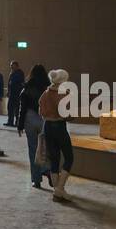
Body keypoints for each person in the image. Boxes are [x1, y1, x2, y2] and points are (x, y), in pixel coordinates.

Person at [39, 69, 74, 202]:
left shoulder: (45, 93)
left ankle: (57, 192)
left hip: (47, 127)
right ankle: (59, 189)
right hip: (59, 128)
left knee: (54, 159)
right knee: (69, 157)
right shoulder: (64, 94)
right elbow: (68, 116)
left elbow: (41, 111)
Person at [16, 65, 53, 188]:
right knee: (45, 148)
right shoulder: (48, 88)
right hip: (44, 119)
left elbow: (22, 109)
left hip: (30, 118)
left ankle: (36, 180)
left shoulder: (26, 88)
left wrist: (20, 125)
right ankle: (47, 169)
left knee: (33, 149)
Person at [5, 61, 25, 126]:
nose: (11, 67)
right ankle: (10, 121)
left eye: (12, 66)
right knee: (10, 107)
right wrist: (8, 91)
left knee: (17, 108)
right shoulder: (11, 73)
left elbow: (18, 82)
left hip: (17, 94)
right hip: (11, 93)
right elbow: (9, 83)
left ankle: (17, 122)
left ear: (16, 66)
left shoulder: (20, 73)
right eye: (11, 66)